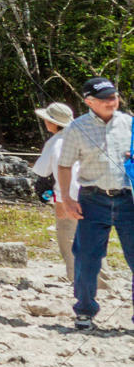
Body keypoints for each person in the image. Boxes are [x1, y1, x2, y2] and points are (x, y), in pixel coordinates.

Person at [57, 77, 133, 331]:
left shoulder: (130, 124)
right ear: (89, 101)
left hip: (128, 199)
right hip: (92, 199)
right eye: (105, 98)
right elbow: (64, 165)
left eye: (114, 96)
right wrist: (67, 199)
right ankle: (85, 311)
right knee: (87, 259)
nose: (112, 101)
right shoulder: (76, 128)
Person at [31, 101, 81, 281]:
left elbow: (60, 172)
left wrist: (60, 200)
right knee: (92, 240)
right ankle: (101, 281)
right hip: (94, 195)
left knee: (68, 239)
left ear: (53, 122)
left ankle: (78, 279)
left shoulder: (57, 143)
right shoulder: (82, 137)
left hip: (71, 196)